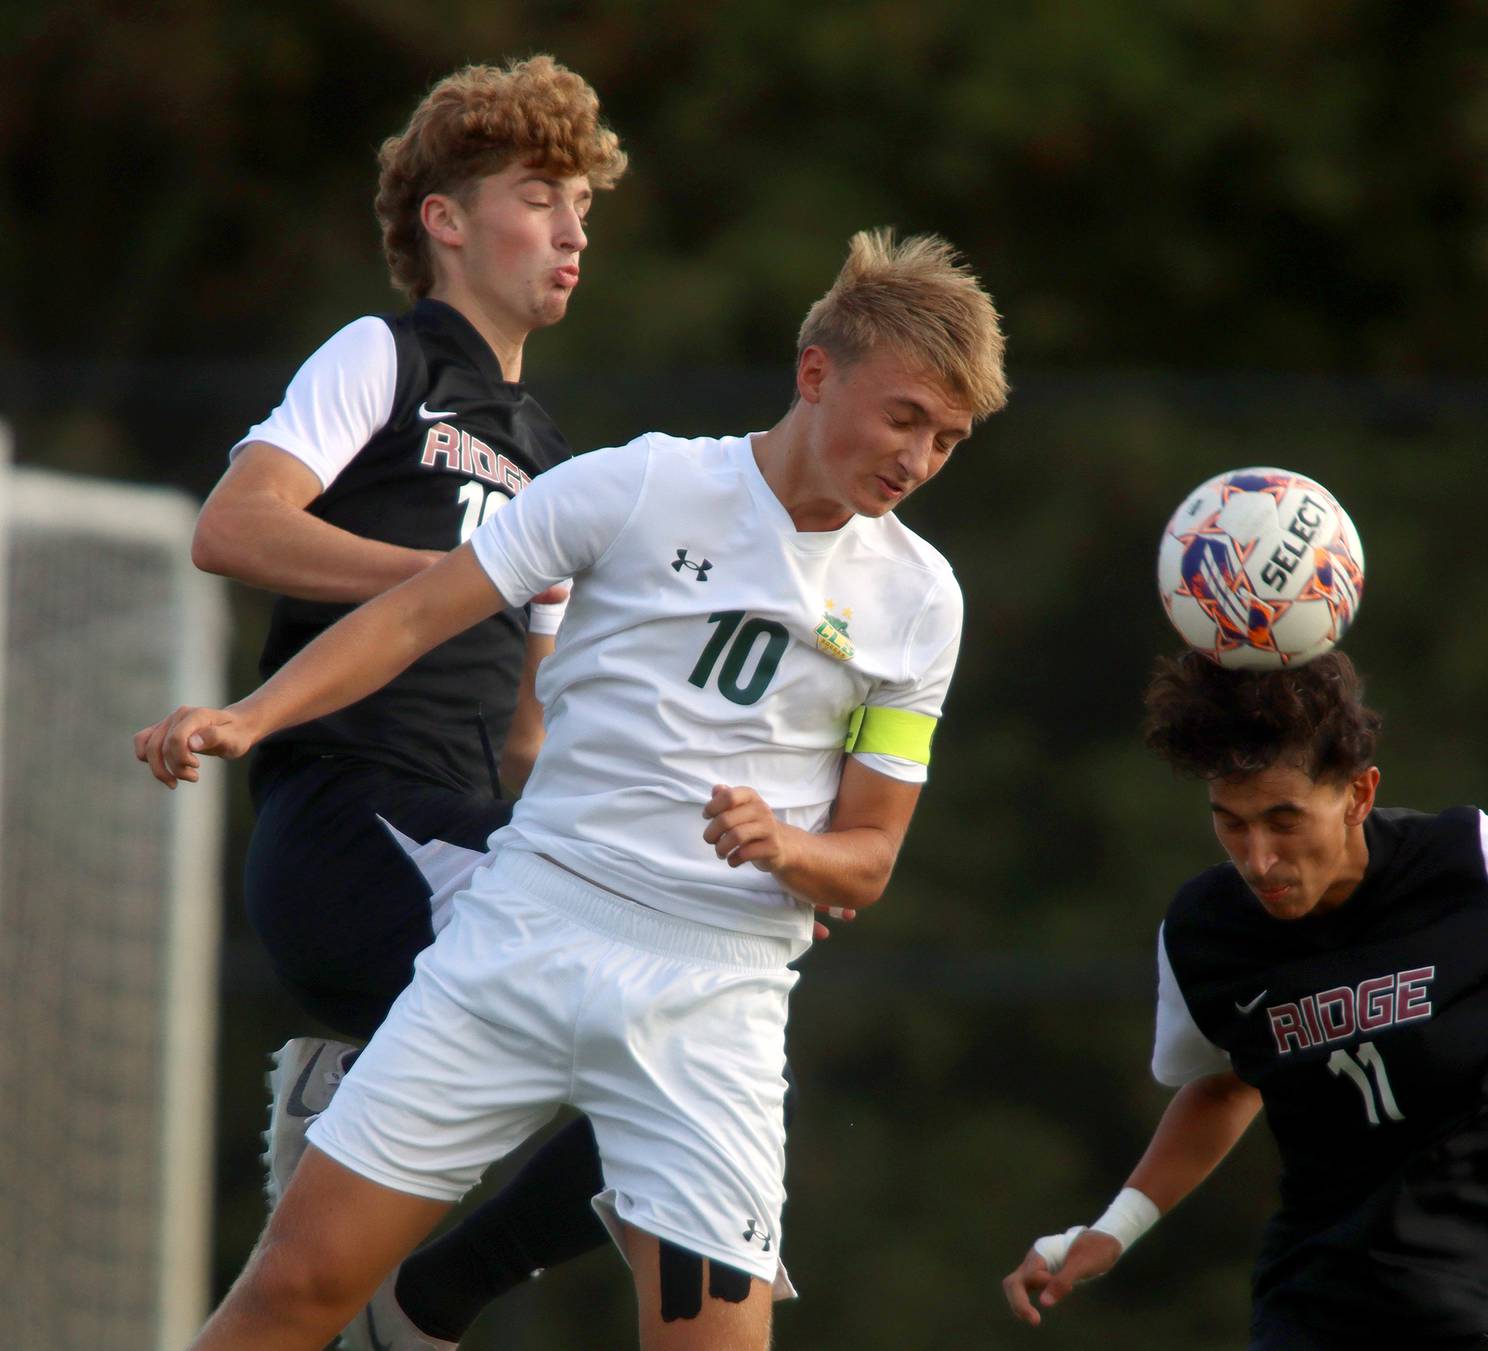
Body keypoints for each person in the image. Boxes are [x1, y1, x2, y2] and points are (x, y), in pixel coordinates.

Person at [138, 227, 1009, 1351]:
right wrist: (248, 718)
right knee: (294, 1290)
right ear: (815, 374)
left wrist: (786, 849)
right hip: (527, 931)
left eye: (947, 439)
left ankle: (424, 1301)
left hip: (717, 997)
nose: (919, 459)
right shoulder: (636, 482)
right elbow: (413, 614)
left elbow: (870, 856)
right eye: (904, 419)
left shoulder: (920, 600)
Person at [183, 54, 629, 1349]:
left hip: (460, 830)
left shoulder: (549, 452)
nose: (570, 229)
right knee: (662, 1016)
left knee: (698, 1038)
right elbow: (234, 523)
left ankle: (411, 1273)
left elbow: (530, 732)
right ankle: (414, 1301)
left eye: (583, 209)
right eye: (540, 195)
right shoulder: (385, 355)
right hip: (351, 826)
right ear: (445, 219)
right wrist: (452, 576)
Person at [1001, 650, 1488, 1349]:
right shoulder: (1204, 932)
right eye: (1232, 822)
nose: (1258, 859)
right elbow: (1225, 1084)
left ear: (1359, 795)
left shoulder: (1473, 866)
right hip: (1312, 1311)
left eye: (1284, 820)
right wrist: (1113, 1227)